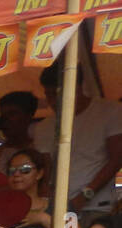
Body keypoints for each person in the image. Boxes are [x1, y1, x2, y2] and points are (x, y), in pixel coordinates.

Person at [35, 60, 122, 213]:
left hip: (98, 206)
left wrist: (86, 194)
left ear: (76, 87)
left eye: (57, 94)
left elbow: (117, 159)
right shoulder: (43, 127)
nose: (52, 101)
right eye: (48, 95)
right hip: (59, 209)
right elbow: (46, 172)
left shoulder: (110, 111)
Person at [6, 150, 52, 228]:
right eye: (12, 171)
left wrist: (44, 219)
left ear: (40, 173)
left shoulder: (61, 205)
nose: (17, 174)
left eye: (25, 169)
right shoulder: (0, 211)